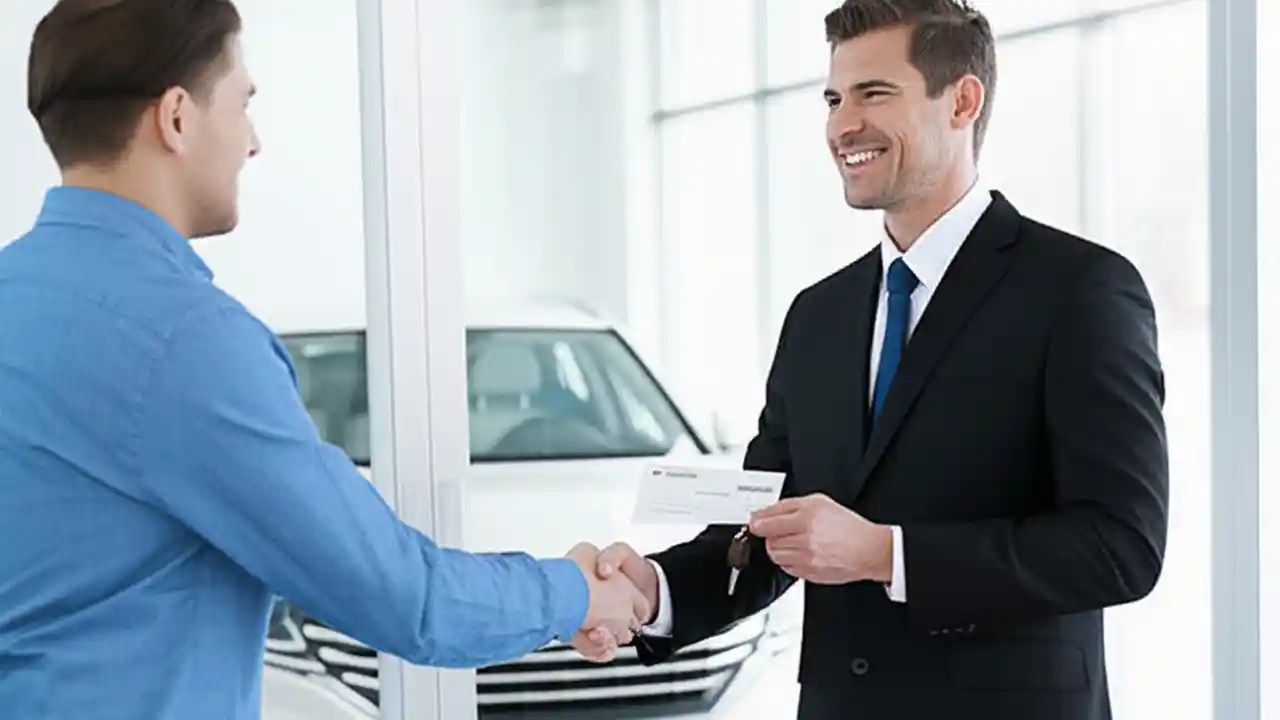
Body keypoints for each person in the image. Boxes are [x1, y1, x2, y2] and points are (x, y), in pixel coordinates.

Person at [0, 2, 644, 719]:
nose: (252, 141)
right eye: (242, 104)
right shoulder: (185, 341)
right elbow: (406, 598)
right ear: (176, 118)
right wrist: (580, 590)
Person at [576, 1, 1169, 718]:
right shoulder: (818, 315)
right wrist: (651, 591)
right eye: (833, 98)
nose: (840, 125)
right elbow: (766, 524)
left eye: (873, 94)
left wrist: (884, 554)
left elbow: (1120, 545)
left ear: (963, 101)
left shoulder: (1078, 290)